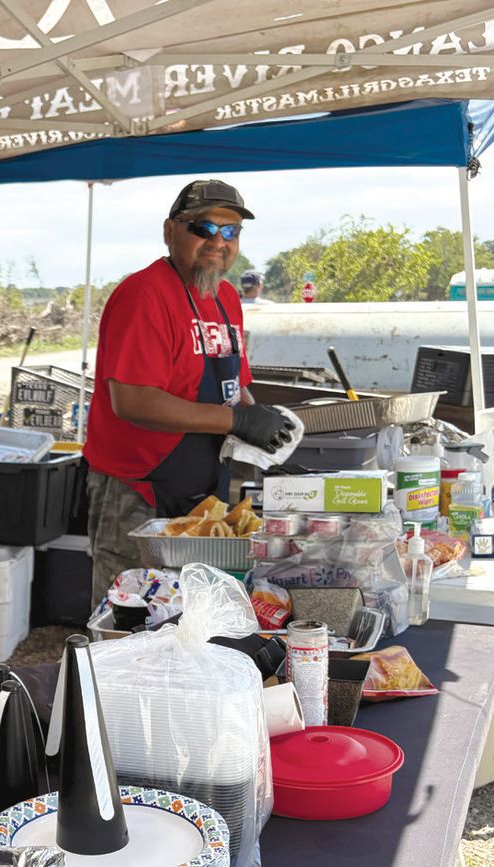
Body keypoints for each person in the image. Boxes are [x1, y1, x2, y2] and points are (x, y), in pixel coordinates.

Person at [82, 179, 295, 605]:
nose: (218, 241)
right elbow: (135, 401)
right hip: (138, 491)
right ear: (170, 231)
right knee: (133, 621)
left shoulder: (226, 296)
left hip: (202, 488)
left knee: (193, 619)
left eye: (230, 231)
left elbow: (235, 386)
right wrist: (237, 421)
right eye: (203, 227)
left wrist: (265, 430)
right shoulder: (145, 293)